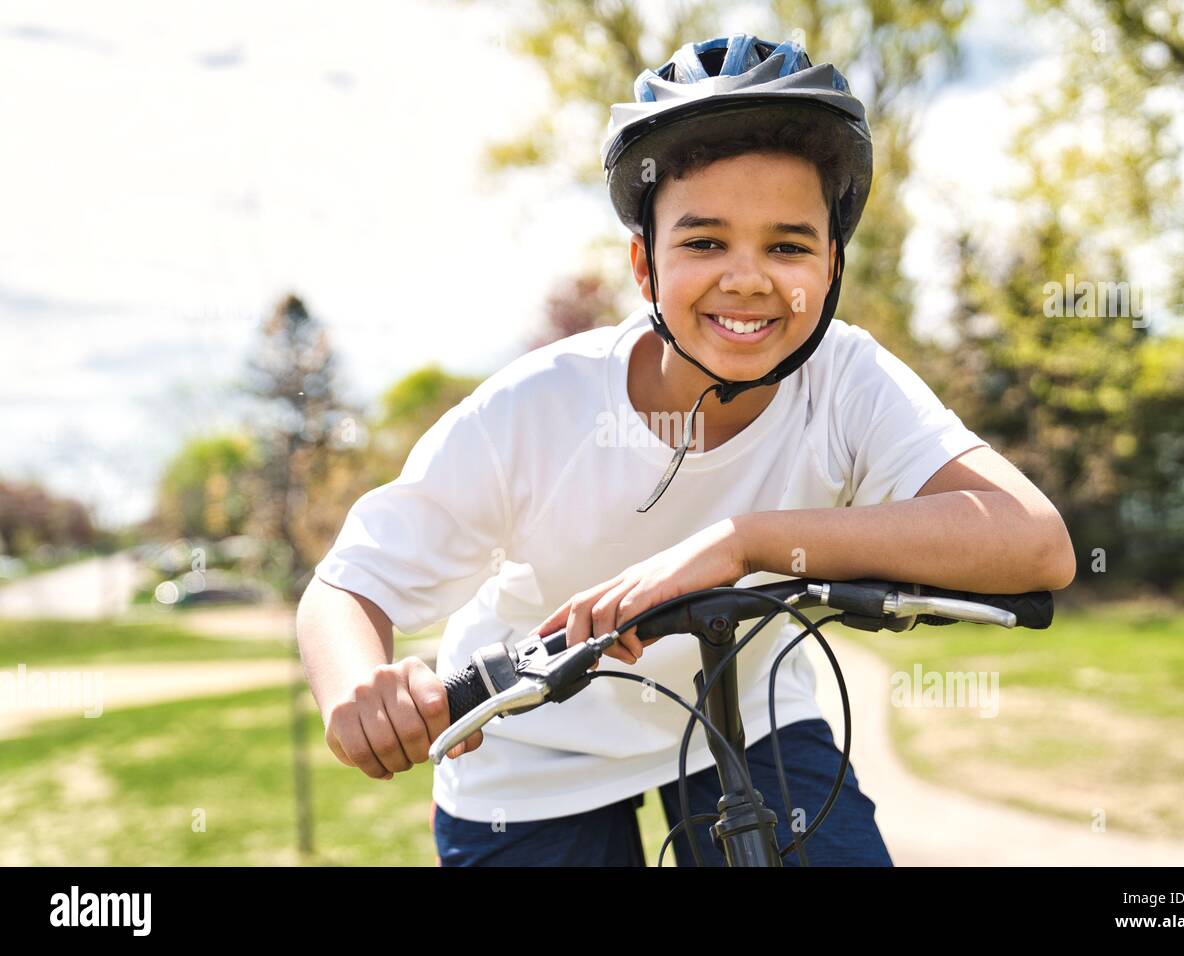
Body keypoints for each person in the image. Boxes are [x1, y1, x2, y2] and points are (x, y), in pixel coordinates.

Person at [296, 34, 1075, 867]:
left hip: (748, 715)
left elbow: (1035, 542)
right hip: (532, 749)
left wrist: (744, 540)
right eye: (704, 243)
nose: (747, 278)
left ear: (834, 263)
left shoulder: (847, 379)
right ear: (644, 265)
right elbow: (349, 584)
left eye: (788, 246)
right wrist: (357, 693)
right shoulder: (540, 407)